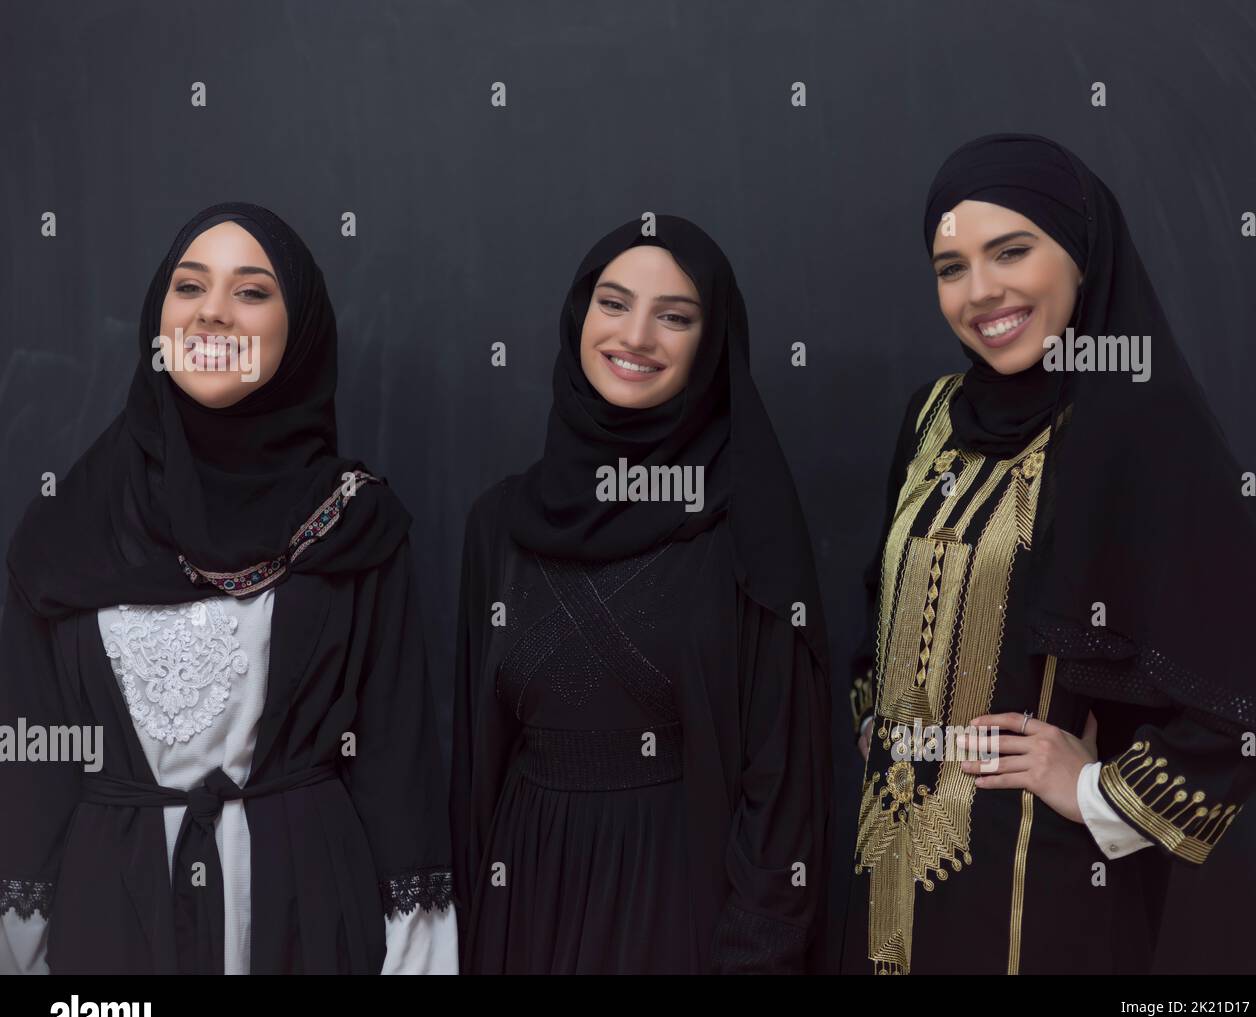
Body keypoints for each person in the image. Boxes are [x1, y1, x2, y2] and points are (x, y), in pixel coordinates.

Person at [841, 134, 1256, 975]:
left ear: (1082, 255)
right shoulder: (932, 416)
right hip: (891, 862)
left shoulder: (1133, 426)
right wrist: (883, 718)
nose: (981, 292)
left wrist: (1097, 791)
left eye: (1011, 251)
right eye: (951, 267)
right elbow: (892, 601)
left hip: (1041, 885)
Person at [0, 203, 456, 974]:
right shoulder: (67, 529)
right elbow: (31, 771)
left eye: (251, 291)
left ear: (299, 329)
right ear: (158, 318)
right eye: (189, 286)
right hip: (111, 928)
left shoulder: (353, 522)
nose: (212, 311)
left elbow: (397, 767)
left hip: (308, 921)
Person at [452, 215, 832, 973]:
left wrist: (753, 956)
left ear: (711, 342)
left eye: (675, 316)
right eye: (614, 303)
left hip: (681, 908)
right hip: (524, 901)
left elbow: (783, 780)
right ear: (578, 317)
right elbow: (473, 766)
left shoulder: (742, 522)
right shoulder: (499, 523)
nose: (637, 335)